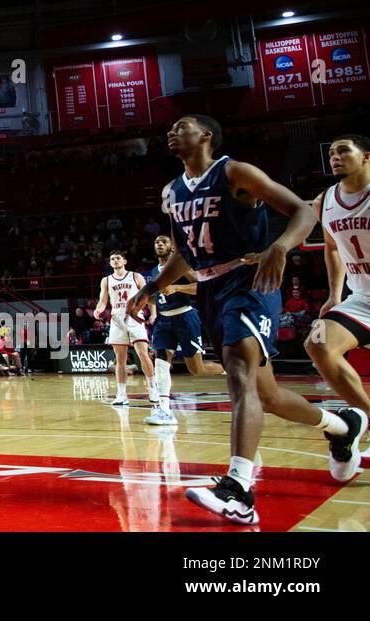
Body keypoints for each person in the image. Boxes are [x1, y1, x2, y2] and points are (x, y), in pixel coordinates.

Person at [127, 115, 343, 526]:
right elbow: (185, 253)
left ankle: (238, 489)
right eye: (171, 128)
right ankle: (340, 424)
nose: (173, 131)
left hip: (248, 281)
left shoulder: (234, 171)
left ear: (206, 135)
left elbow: (302, 211)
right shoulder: (171, 192)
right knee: (268, 396)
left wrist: (279, 246)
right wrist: (152, 288)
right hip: (209, 289)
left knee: (240, 374)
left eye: (183, 125)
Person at [303, 133, 370, 481]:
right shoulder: (324, 199)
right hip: (361, 297)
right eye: (331, 153)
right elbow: (331, 248)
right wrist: (334, 293)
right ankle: (362, 418)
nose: (335, 157)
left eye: (344, 150)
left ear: (367, 157)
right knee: (317, 341)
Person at [145, 234, 206, 427]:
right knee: (161, 365)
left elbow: (201, 287)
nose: (159, 244)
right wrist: (146, 302)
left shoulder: (182, 265)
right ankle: (164, 410)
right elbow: (155, 297)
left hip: (185, 317)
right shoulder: (154, 270)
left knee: (197, 370)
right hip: (164, 321)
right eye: (156, 242)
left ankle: (226, 369)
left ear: (172, 247)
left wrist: (178, 288)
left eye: (164, 241)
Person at [94, 251, 157, 409]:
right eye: (112, 259)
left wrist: (153, 313)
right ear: (110, 263)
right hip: (117, 319)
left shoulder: (136, 276)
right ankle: (121, 394)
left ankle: (153, 388)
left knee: (143, 353)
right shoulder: (106, 280)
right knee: (119, 359)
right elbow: (103, 300)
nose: (115, 261)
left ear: (125, 261)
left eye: (118, 258)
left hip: (134, 316)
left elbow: (148, 295)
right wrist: (98, 310)